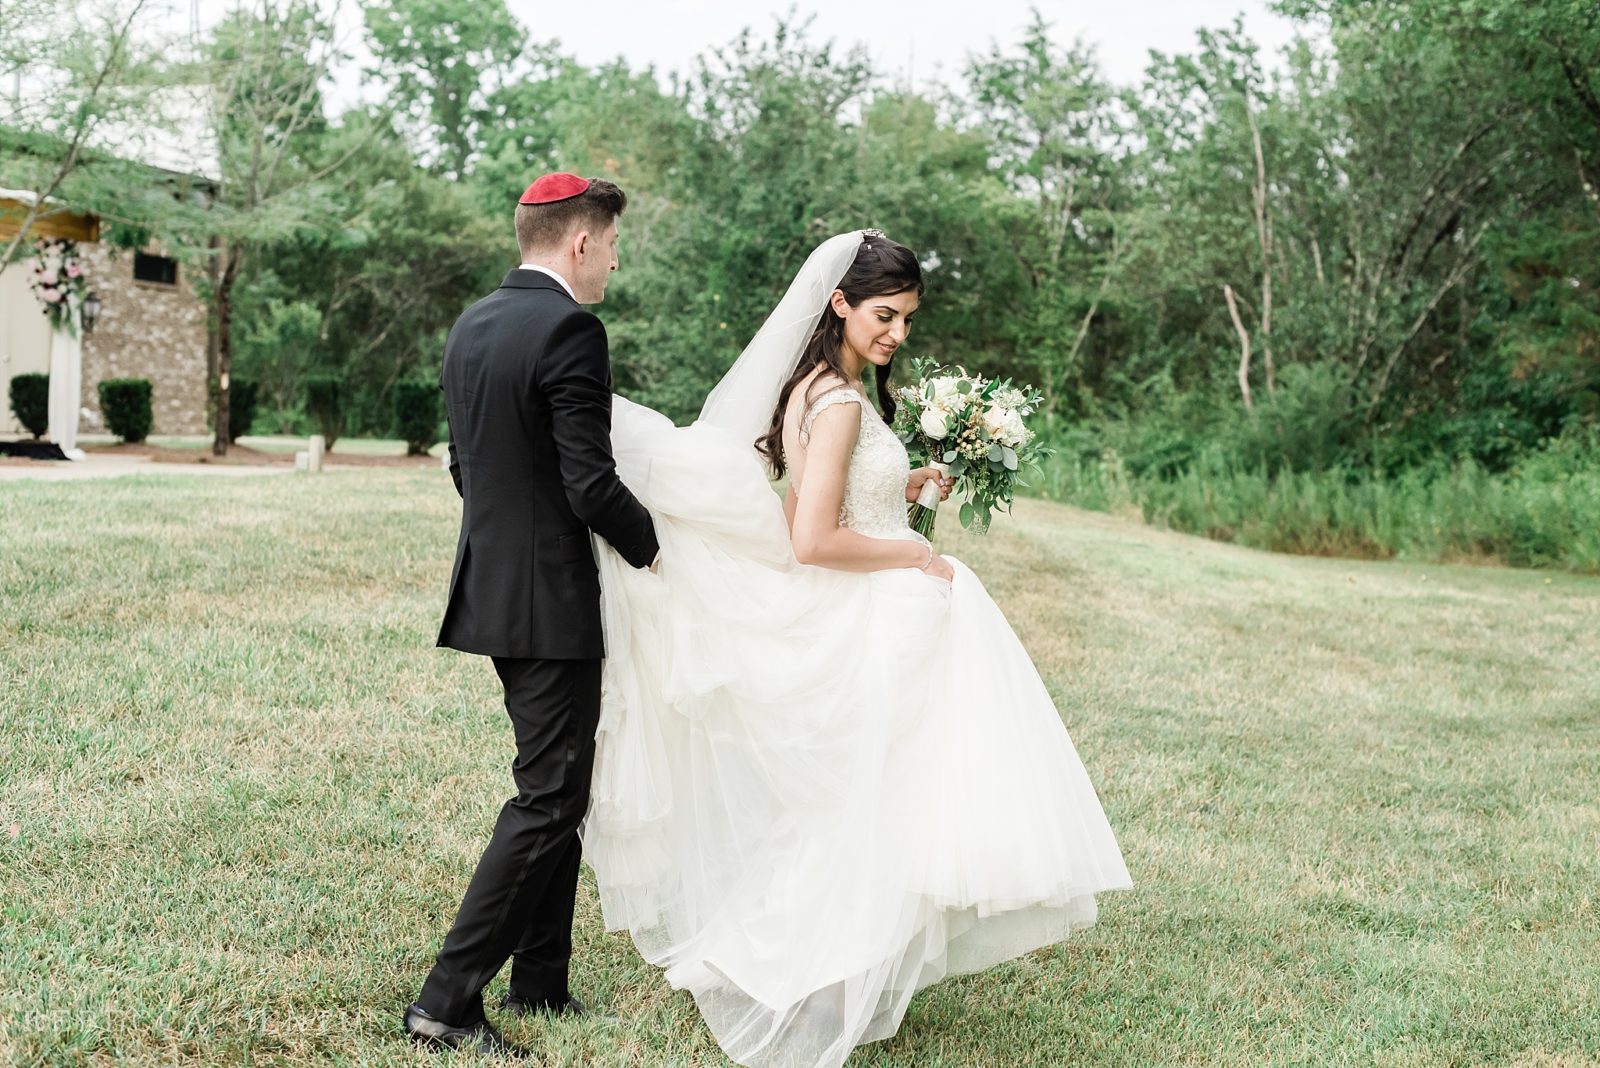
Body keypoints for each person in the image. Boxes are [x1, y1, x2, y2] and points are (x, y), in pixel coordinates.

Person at [585, 231, 1132, 1068]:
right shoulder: (838, 402)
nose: (897, 335)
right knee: (872, 804)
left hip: (867, 608)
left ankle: (831, 970)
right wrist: (913, 550)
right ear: (839, 303)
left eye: (908, 320)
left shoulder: (815, 387)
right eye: (886, 315)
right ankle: (796, 967)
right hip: (871, 610)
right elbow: (813, 538)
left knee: (859, 805)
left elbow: (827, 498)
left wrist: (904, 490)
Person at [405, 173, 659, 1055]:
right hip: (550, 596)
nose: (615, 266)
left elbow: (464, 465)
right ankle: (444, 1001)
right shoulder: (570, 329)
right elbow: (590, 483)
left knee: (561, 786)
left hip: (494, 584)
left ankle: (541, 982)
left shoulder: (472, 322)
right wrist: (656, 547)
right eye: (614, 247)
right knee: (549, 795)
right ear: (580, 242)